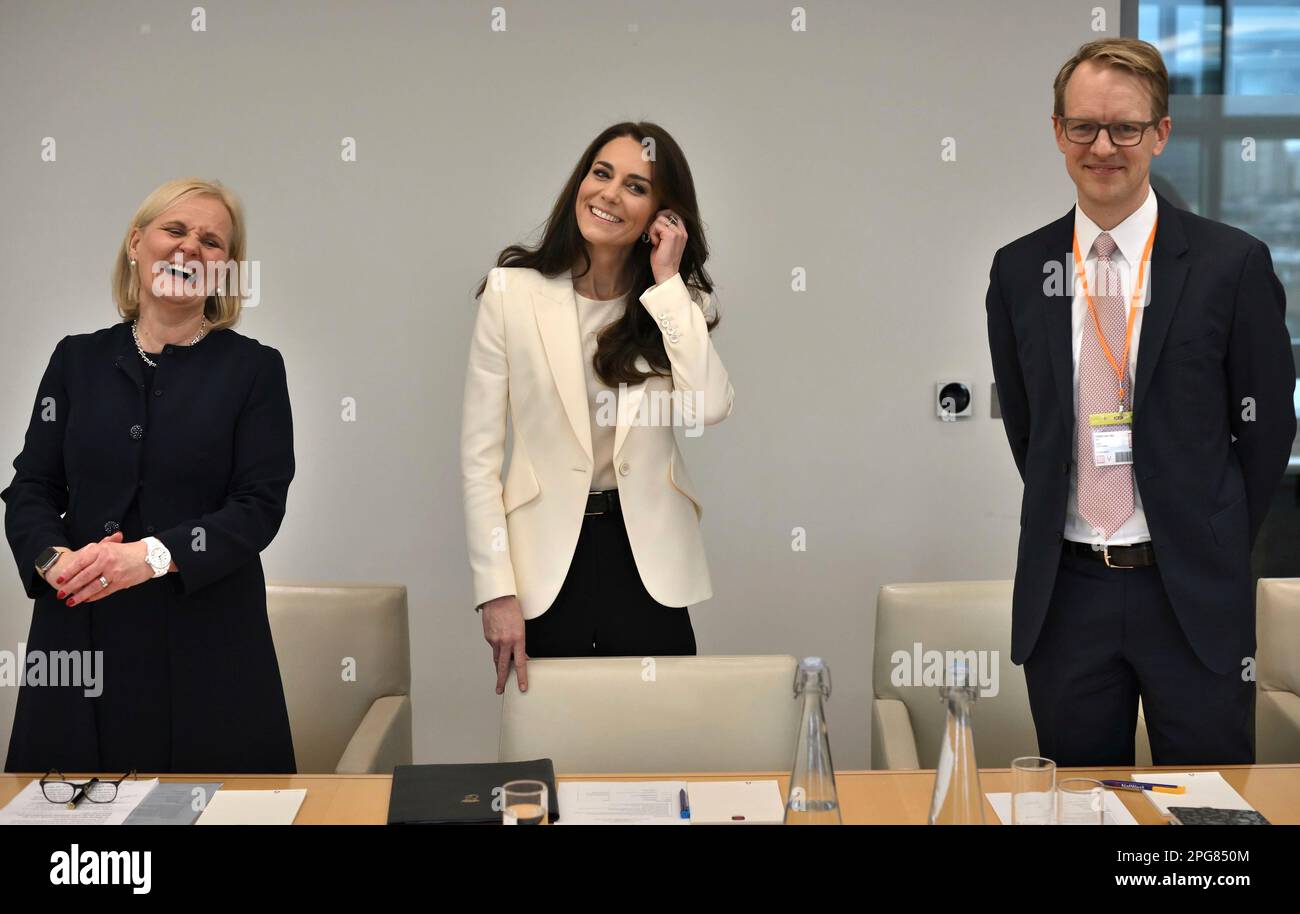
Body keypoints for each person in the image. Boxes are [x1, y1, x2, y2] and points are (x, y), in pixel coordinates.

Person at [986, 38, 1296, 766]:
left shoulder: (1231, 264)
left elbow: (1266, 426)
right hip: (1067, 595)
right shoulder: (1020, 270)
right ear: (1057, 131)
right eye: (1084, 126)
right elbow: (1031, 428)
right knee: (1077, 805)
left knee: (1212, 813)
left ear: (1161, 133)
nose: (1104, 147)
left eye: (1125, 127)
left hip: (1189, 593)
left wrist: (1208, 530)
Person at [2, 178, 297, 773]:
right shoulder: (74, 360)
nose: (190, 248)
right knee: (80, 844)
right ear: (137, 243)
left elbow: (257, 505)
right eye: (176, 229)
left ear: (225, 271)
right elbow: (31, 486)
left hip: (208, 644)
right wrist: (52, 559)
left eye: (213, 242)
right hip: (78, 634)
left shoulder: (255, 370)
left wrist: (152, 557)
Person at [462, 121, 734, 694]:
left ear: (663, 217)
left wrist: (666, 285)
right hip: (543, 563)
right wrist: (495, 587)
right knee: (549, 755)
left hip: (648, 561)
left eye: (636, 186)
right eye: (601, 173)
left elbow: (707, 408)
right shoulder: (511, 293)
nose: (609, 193)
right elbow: (478, 460)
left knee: (655, 753)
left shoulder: (676, 307)